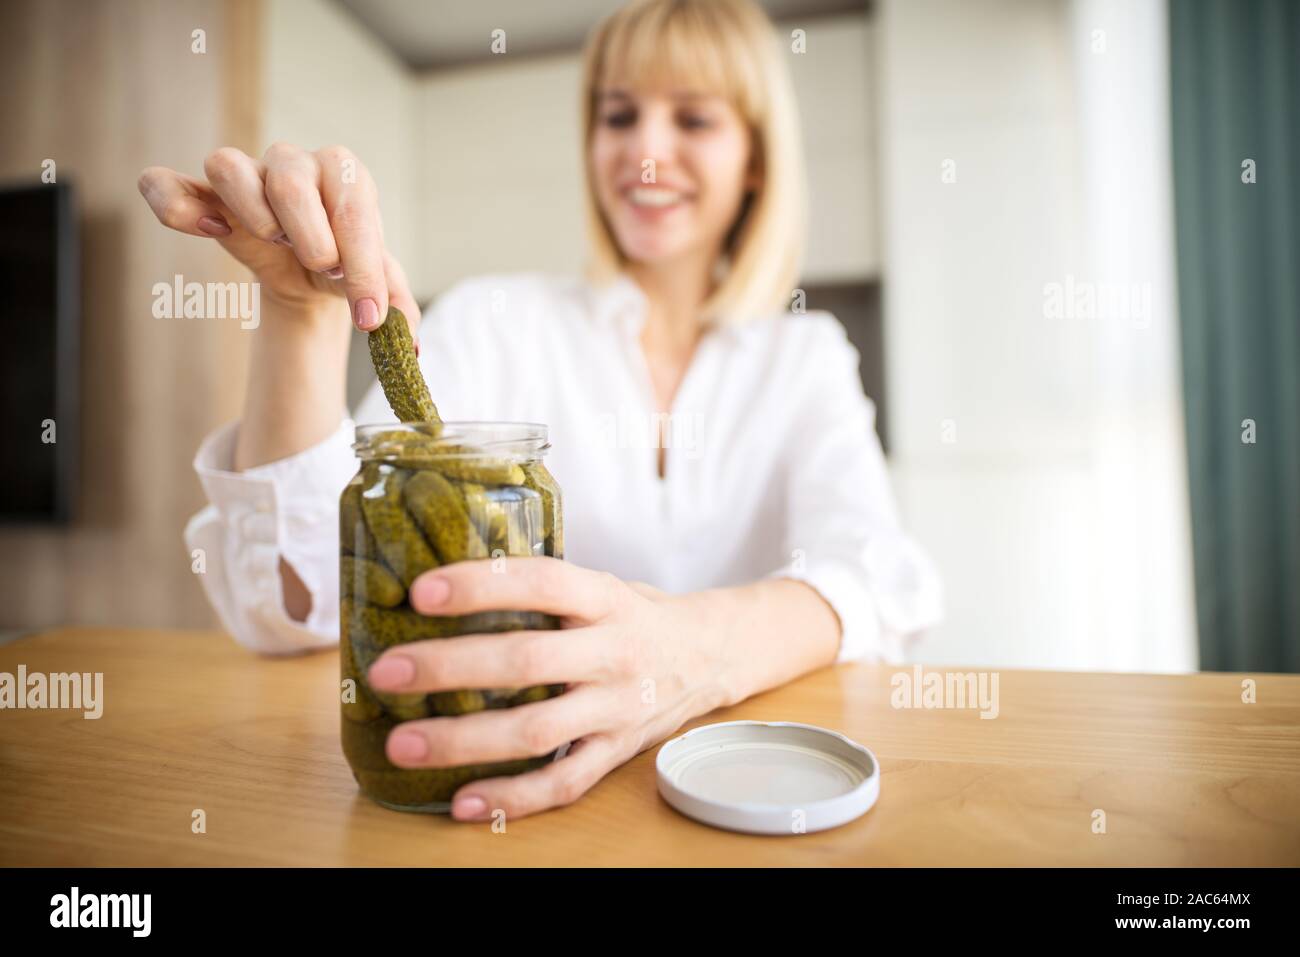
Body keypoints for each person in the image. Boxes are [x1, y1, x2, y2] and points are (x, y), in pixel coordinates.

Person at [136, 0, 942, 820]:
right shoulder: (494, 319)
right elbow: (296, 603)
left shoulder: (805, 355)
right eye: (618, 113)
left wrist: (696, 649)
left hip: (760, 789)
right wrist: (300, 318)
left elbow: (879, 581)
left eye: (693, 118)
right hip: (513, 797)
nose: (646, 152)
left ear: (758, 160)